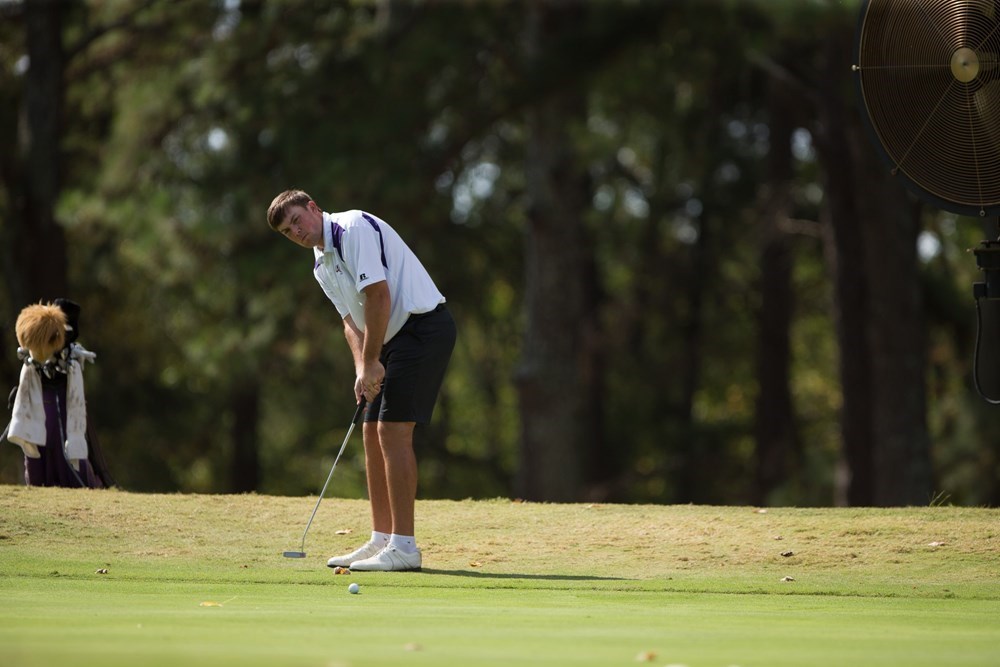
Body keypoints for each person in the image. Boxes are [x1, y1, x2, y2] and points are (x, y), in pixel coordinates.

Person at [267, 189, 456, 572]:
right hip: (386, 338)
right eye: (288, 232)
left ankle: (405, 547)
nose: (297, 232)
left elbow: (378, 296)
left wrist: (372, 361)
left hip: (422, 327)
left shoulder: (353, 229)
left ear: (313, 208)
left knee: (391, 431)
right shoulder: (321, 264)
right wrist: (361, 367)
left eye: (298, 220)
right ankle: (381, 538)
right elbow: (350, 321)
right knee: (370, 432)